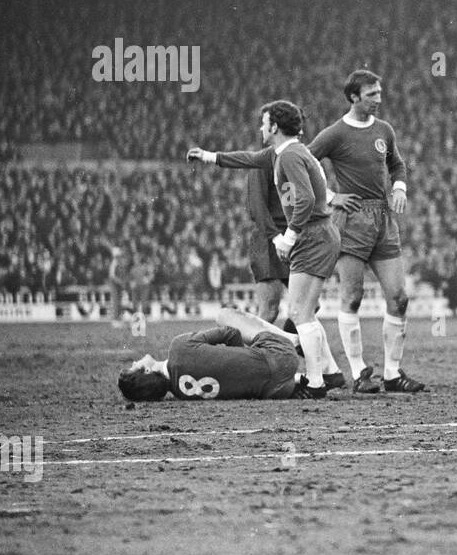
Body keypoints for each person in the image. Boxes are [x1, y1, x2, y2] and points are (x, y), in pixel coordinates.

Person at [186, 100, 345, 399]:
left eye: (264, 122)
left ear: (275, 127)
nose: (261, 127)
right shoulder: (285, 152)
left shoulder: (290, 157)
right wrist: (209, 156)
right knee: (303, 311)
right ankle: (321, 376)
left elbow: (307, 199)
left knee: (300, 312)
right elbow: (247, 158)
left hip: (312, 234)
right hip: (318, 234)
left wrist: (288, 236)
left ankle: (315, 381)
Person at [309, 69, 427, 395]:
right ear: (353, 97)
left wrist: (400, 188)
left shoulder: (383, 130)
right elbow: (303, 160)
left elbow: (397, 164)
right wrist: (331, 197)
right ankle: (360, 372)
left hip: (383, 217)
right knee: (353, 296)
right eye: (372, 94)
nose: (378, 99)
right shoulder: (335, 133)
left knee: (399, 298)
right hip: (352, 219)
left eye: (379, 92)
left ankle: (391, 373)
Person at [117, 307, 342, 401]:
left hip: (277, 389)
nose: (136, 360)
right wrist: (246, 356)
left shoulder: (181, 393)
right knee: (224, 315)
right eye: (134, 365)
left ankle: (299, 379)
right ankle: (294, 340)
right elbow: (230, 332)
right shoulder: (178, 347)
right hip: (279, 354)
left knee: (242, 379)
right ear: (146, 370)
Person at [245, 159, 289, 324]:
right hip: (269, 239)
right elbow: (256, 208)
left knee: (310, 306)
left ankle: (293, 345)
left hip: (293, 236)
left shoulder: (296, 158)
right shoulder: (262, 163)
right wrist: (276, 237)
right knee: (269, 309)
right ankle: (254, 349)